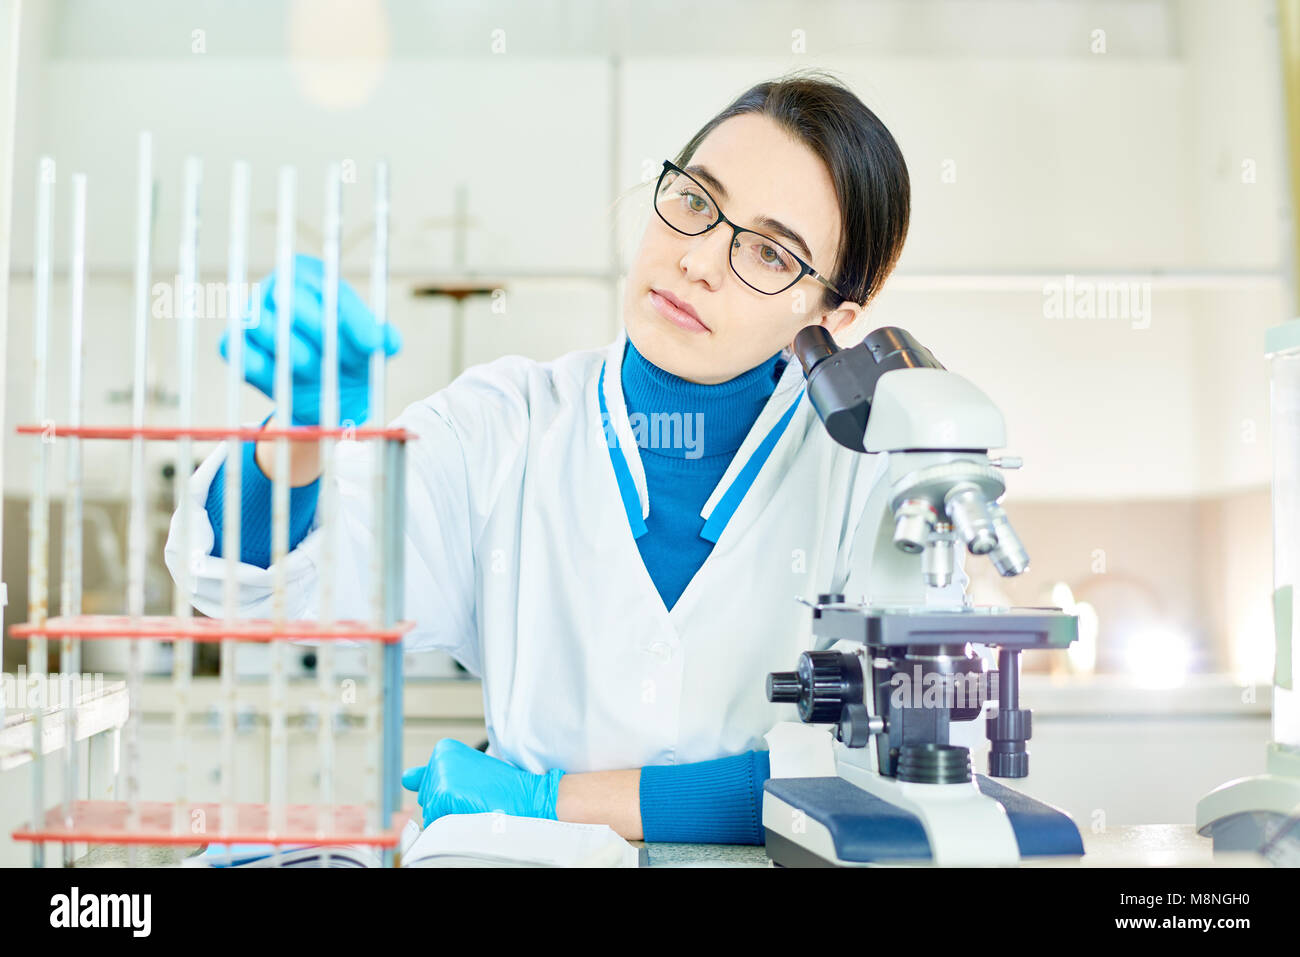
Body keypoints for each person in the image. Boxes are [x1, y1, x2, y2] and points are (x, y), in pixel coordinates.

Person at [165, 69, 967, 844]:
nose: (698, 261)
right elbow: (255, 587)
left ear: (831, 316)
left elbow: (890, 771)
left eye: (767, 254)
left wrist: (546, 799)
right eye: (694, 201)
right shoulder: (505, 425)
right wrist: (296, 439)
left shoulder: (876, 473)